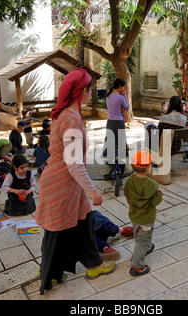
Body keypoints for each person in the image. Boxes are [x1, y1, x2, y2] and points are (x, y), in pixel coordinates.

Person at [35, 68, 115, 295]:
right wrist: (92, 191)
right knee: (56, 230)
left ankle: (93, 265)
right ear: (83, 91)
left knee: (83, 221)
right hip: (61, 183)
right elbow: (73, 163)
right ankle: (49, 271)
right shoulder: (70, 121)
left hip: (69, 184)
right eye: (90, 88)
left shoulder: (70, 116)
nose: (92, 92)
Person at [124, 151, 162, 276]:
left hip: (134, 215)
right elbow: (156, 201)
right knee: (142, 240)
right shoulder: (151, 184)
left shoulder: (129, 180)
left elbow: (127, 194)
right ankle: (137, 266)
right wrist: (159, 194)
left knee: (138, 233)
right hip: (147, 218)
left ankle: (147, 246)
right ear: (148, 166)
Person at [102, 78, 130, 164]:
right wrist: (124, 96)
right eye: (123, 87)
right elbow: (127, 107)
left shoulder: (108, 96)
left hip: (110, 121)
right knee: (120, 140)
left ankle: (107, 158)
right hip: (118, 121)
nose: (124, 89)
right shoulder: (120, 97)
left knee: (109, 139)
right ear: (120, 86)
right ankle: (122, 160)